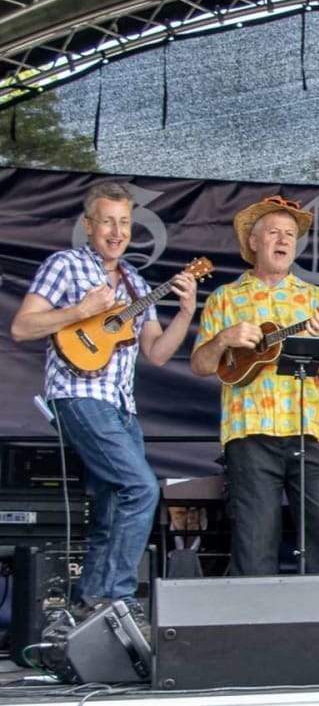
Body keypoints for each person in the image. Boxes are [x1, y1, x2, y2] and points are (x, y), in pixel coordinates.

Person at [9, 181, 196, 624]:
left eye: (125, 222)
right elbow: (22, 327)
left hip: (121, 406)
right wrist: (79, 311)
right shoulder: (66, 265)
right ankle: (115, 597)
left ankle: (85, 612)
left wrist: (186, 312)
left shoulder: (136, 282)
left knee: (113, 510)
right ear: (88, 224)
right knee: (141, 487)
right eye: (108, 221)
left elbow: (157, 353)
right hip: (78, 395)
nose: (117, 231)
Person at [192, 196, 319, 577]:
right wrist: (224, 338)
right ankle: (255, 628)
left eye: (291, 235)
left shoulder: (316, 299)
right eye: (274, 233)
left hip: (308, 428)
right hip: (249, 430)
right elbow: (200, 365)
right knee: (254, 534)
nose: (284, 240)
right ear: (253, 242)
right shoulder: (225, 298)